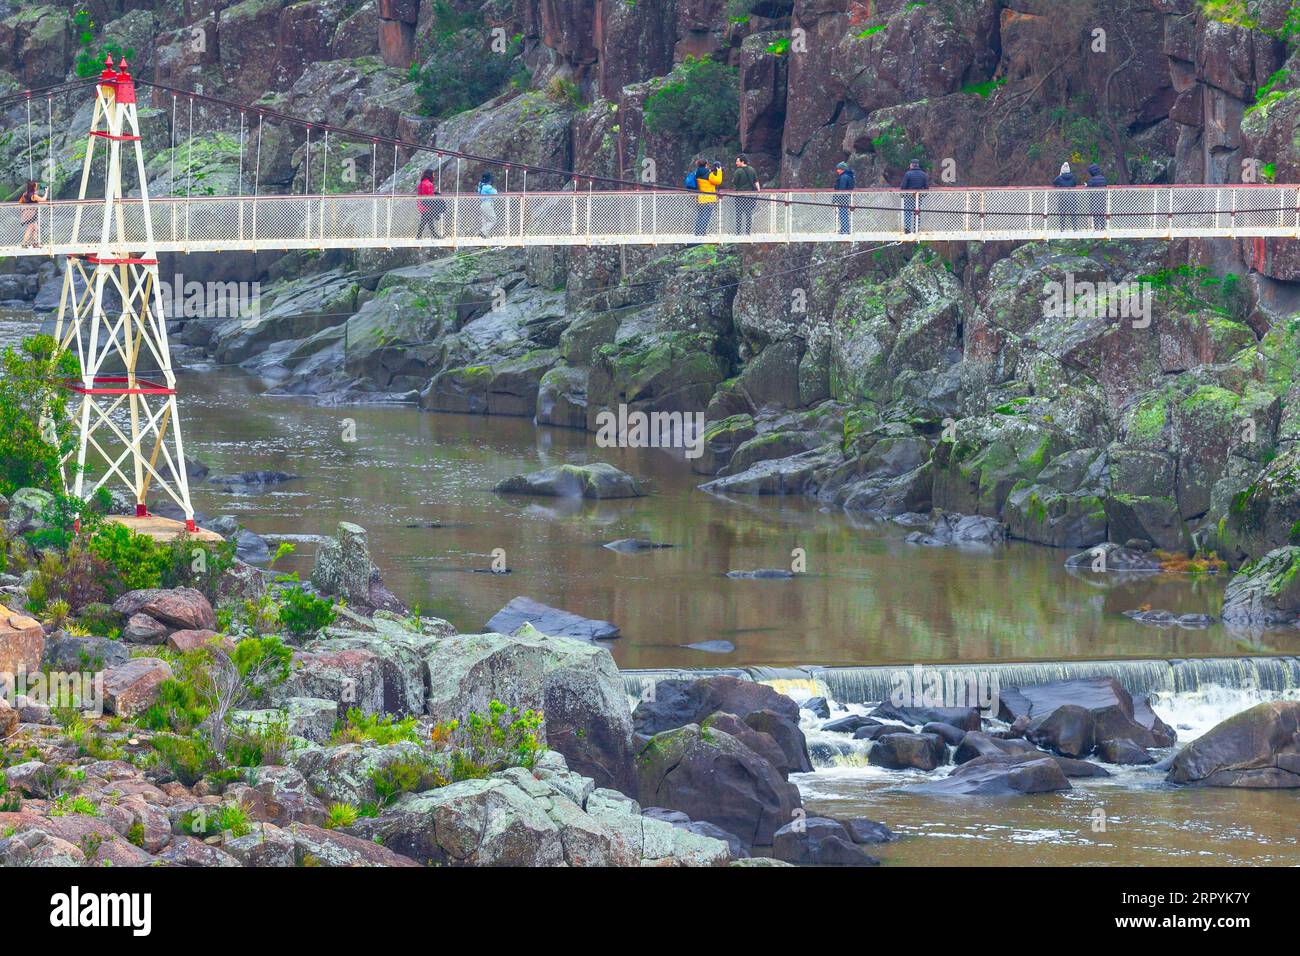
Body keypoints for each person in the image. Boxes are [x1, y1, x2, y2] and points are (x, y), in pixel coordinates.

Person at [691, 158, 723, 237]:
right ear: (706, 164)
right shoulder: (708, 173)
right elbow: (718, 181)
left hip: (700, 198)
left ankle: (697, 232)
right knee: (706, 216)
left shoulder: (697, 172)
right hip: (709, 198)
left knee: (700, 215)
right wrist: (719, 171)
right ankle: (702, 232)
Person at [730, 154, 760, 235]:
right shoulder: (752, 169)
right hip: (750, 196)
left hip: (740, 196)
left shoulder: (738, 171)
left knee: (739, 214)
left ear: (742, 161)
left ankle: (738, 232)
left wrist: (733, 181)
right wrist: (758, 191)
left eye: (737, 161)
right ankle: (747, 232)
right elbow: (756, 181)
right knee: (748, 214)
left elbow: (735, 182)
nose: (736, 162)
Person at [899, 159, 928, 234]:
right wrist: (923, 195)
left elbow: (903, 186)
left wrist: (902, 195)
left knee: (907, 212)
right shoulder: (923, 174)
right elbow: (926, 188)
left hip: (909, 196)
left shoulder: (908, 174)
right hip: (919, 197)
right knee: (917, 212)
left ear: (911, 165)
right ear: (918, 165)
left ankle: (908, 229)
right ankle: (916, 228)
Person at [416, 168, 445, 239]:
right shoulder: (428, 184)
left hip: (421, 203)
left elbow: (424, 194)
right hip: (426, 204)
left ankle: (421, 236)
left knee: (427, 219)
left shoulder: (422, 183)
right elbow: (429, 196)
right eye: (433, 174)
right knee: (442, 206)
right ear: (430, 175)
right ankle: (436, 215)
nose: (434, 176)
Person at [1053, 162, 1081, 229]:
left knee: (1062, 214)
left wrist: (1060, 175)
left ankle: (1062, 228)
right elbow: (1075, 184)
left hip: (1063, 198)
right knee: (1073, 214)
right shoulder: (1073, 178)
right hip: (1072, 198)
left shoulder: (1059, 178)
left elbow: (1054, 183)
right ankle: (1075, 228)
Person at [18, 180, 45, 248]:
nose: (36, 186)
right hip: (32, 214)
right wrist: (46, 192)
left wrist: (27, 205)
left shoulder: (25, 194)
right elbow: (43, 200)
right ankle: (24, 243)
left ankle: (35, 243)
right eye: (35, 185)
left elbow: (20, 202)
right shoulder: (34, 196)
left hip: (26, 213)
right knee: (30, 228)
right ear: (33, 187)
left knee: (35, 228)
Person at [833, 161, 855, 235]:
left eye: (838, 169)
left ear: (842, 169)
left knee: (843, 213)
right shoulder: (849, 176)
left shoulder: (844, 177)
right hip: (847, 197)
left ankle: (844, 229)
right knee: (844, 213)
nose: (837, 170)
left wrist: (836, 198)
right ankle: (845, 229)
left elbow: (841, 189)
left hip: (843, 198)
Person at [1084, 162, 1107, 230]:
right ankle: (1103, 227)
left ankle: (1096, 228)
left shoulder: (1091, 180)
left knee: (1095, 214)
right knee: (1102, 213)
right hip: (1102, 199)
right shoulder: (1103, 178)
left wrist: (1086, 185)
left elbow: (1088, 189)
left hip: (1094, 200)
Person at [477, 171, 498, 237]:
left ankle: (484, 235)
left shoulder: (480, 185)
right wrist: (493, 187)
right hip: (488, 204)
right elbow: (495, 193)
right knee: (493, 220)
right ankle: (483, 231)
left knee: (485, 220)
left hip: (482, 204)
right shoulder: (487, 187)